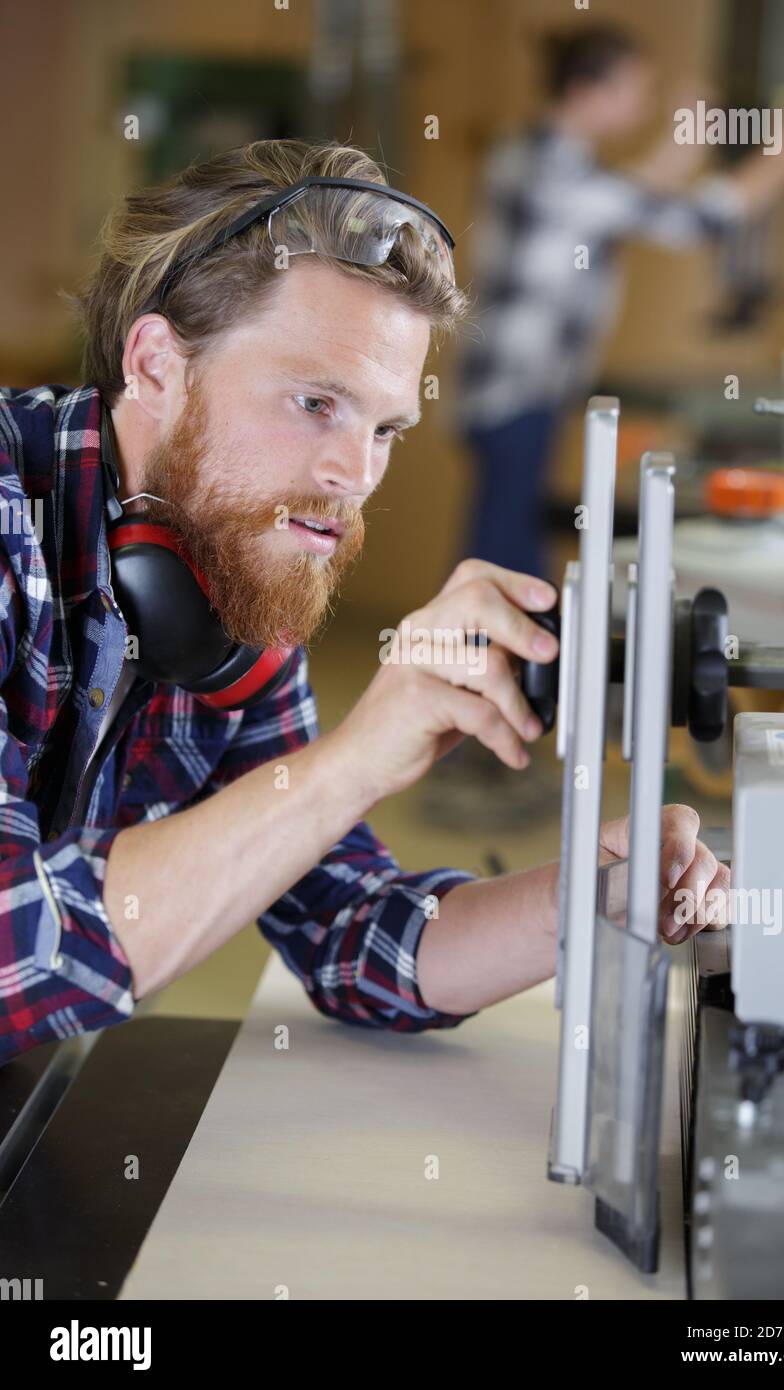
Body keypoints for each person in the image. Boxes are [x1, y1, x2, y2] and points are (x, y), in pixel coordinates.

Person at [0, 139, 727, 1063]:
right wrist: (355, 762)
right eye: (315, 404)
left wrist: (592, 896)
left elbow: (347, 932)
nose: (356, 475)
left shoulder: (229, 569)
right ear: (154, 366)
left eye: (386, 428)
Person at [453, 24, 784, 581]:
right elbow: (693, 219)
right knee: (502, 553)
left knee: (505, 536)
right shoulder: (549, 168)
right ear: (589, 91)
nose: (645, 104)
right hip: (514, 388)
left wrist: (689, 139)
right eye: (636, 89)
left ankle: (486, 632)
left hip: (519, 386)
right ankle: (480, 635)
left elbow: (633, 192)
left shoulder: (539, 154)